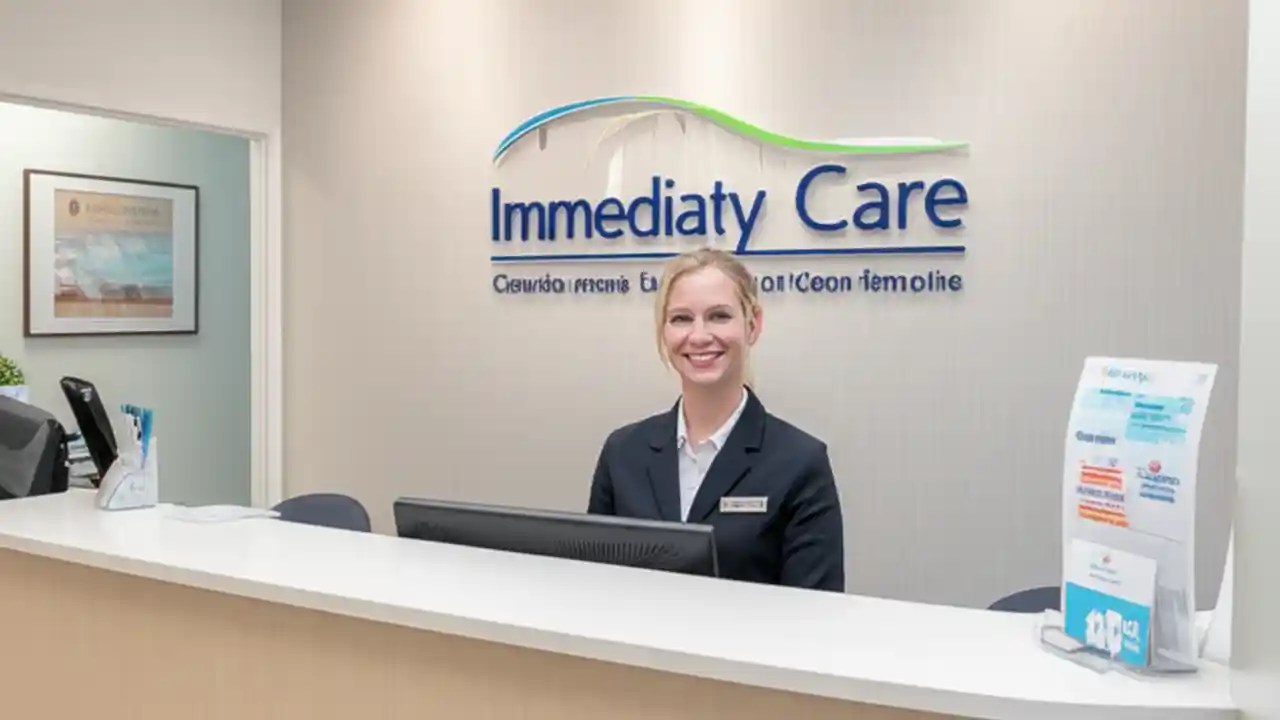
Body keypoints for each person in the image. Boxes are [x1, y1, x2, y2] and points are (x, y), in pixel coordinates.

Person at [588, 248, 845, 592]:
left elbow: (817, 613)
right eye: (681, 318)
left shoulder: (800, 463)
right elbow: (595, 590)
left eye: (719, 316)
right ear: (663, 331)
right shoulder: (622, 453)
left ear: (753, 325)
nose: (699, 336)